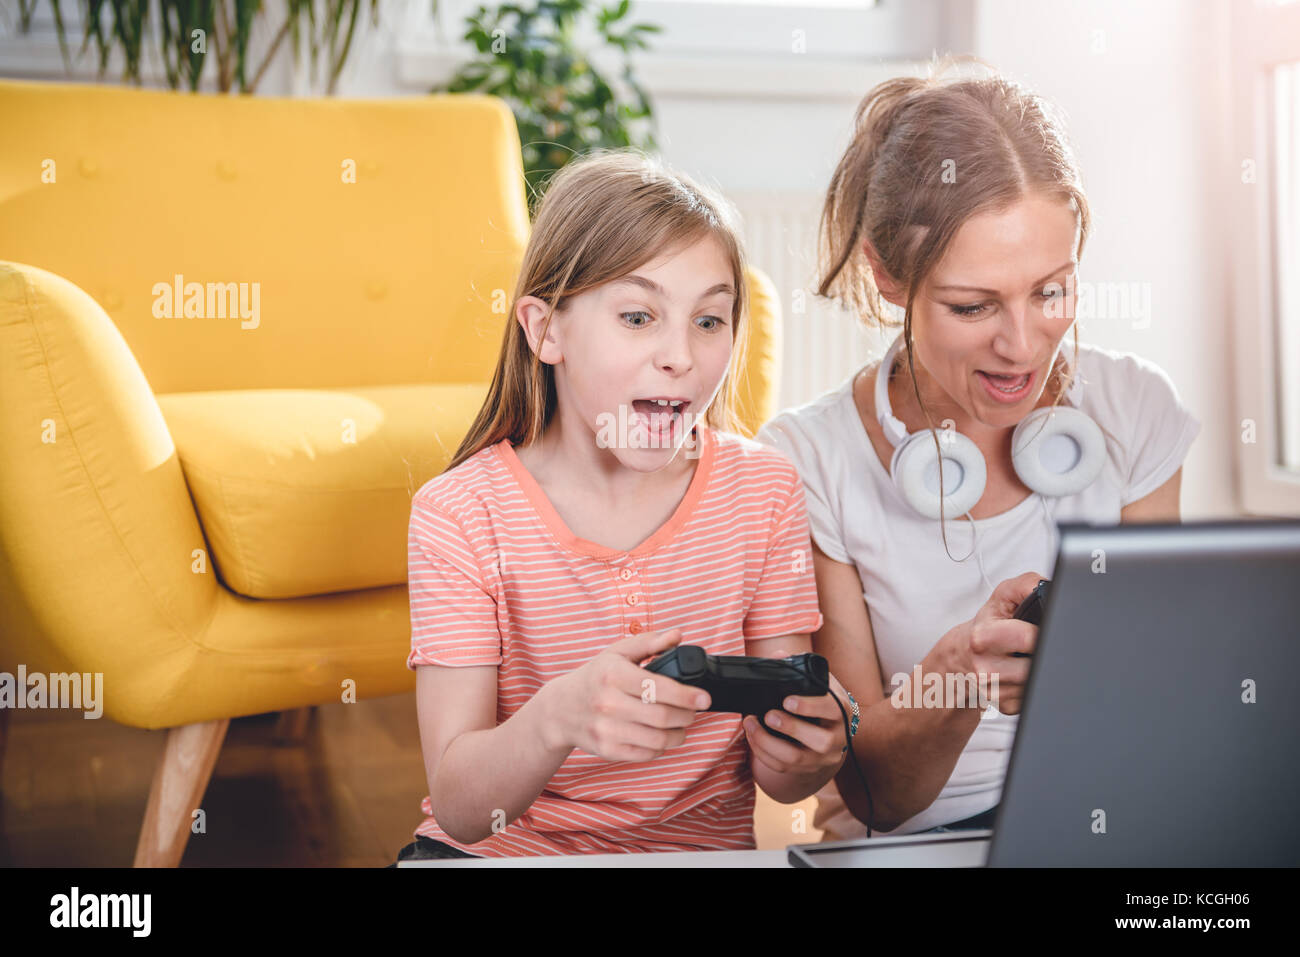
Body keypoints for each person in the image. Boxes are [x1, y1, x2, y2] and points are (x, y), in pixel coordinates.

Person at [755, 62, 1200, 839]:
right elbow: (873, 795)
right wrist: (957, 674)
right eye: (973, 305)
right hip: (916, 842)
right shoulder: (807, 460)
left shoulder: (1136, 411)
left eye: (1051, 291)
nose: (1021, 346)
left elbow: (1156, 700)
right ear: (888, 277)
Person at [396, 149, 853, 862]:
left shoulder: (764, 491)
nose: (681, 355)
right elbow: (461, 807)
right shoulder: (460, 513)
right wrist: (557, 718)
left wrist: (809, 758)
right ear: (545, 330)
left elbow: (783, 776)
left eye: (710, 321)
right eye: (639, 316)